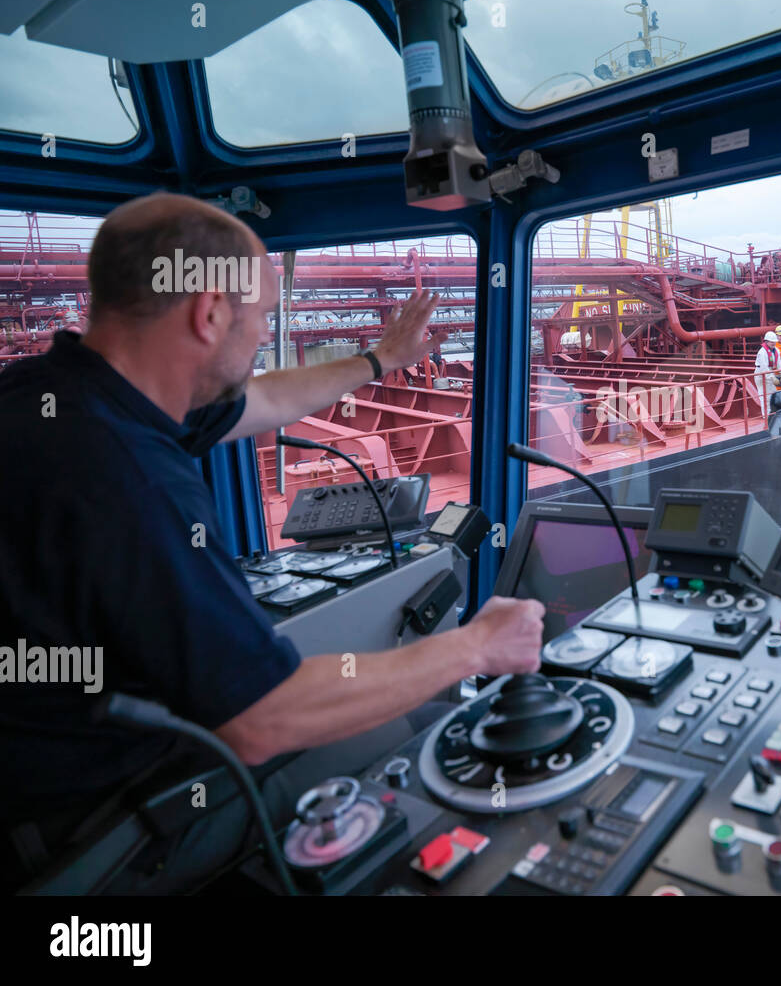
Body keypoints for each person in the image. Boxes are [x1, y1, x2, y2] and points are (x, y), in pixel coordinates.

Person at [0, 193, 544, 890]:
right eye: (261, 317)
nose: (264, 336)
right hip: (97, 834)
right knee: (417, 743)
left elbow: (267, 399)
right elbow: (263, 717)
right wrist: (476, 646)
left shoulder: (56, 393)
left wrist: (379, 359)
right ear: (209, 313)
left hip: (42, 782)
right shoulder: (129, 476)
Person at [753, 331, 781, 418]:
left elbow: (779, 363)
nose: (773, 343)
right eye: (771, 342)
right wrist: (773, 378)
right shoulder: (762, 352)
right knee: (765, 396)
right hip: (761, 375)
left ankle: (773, 413)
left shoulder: (776, 350)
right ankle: (766, 416)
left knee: (773, 393)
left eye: (774, 341)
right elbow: (764, 368)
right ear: (766, 342)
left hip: (769, 373)